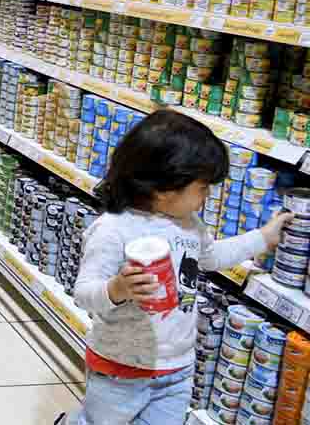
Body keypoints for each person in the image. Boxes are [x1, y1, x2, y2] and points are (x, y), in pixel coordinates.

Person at [59, 110, 291, 425]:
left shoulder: (190, 225)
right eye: (203, 187)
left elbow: (213, 257)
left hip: (178, 367)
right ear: (164, 188)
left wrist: (262, 238)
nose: (207, 196)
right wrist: (117, 289)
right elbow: (84, 293)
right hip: (120, 368)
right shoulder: (113, 229)